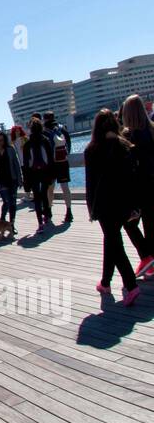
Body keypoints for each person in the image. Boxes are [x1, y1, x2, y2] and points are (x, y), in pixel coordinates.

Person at [85, 109, 141, 306]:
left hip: (104, 204)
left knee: (115, 244)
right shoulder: (126, 146)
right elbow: (133, 180)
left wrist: (90, 208)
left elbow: (90, 183)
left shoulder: (91, 150)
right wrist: (135, 206)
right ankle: (105, 282)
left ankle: (131, 285)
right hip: (124, 203)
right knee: (111, 241)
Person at [121, 93, 154, 280]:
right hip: (152, 185)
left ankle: (145, 256)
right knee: (151, 226)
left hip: (137, 188)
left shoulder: (127, 136)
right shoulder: (152, 130)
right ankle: (151, 262)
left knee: (130, 224)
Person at [22, 118, 55, 233]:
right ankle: (47, 215)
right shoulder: (45, 140)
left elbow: (26, 164)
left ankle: (40, 223)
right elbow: (51, 159)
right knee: (44, 194)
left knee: (37, 197)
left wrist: (26, 180)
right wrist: (52, 174)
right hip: (45, 171)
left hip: (33, 172)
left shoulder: (27, 144)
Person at [0, 128, 22, 233]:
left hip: (12, 179)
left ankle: (11, 225)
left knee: (13, 203)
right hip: (0, 180)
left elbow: (16, 164)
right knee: (6, 201)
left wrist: (20, 179)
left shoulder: (10, 149)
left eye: (2, 140)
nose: (0, 142)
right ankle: (2, 220)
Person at [43, 111, 73, 224]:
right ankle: (69, 211)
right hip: (63, 162)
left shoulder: (44, 132)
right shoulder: (62, 129)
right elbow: (68, 146)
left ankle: (49, 212)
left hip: (51, 165)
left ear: (44, 119)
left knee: (50, 189)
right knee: (65, 187)